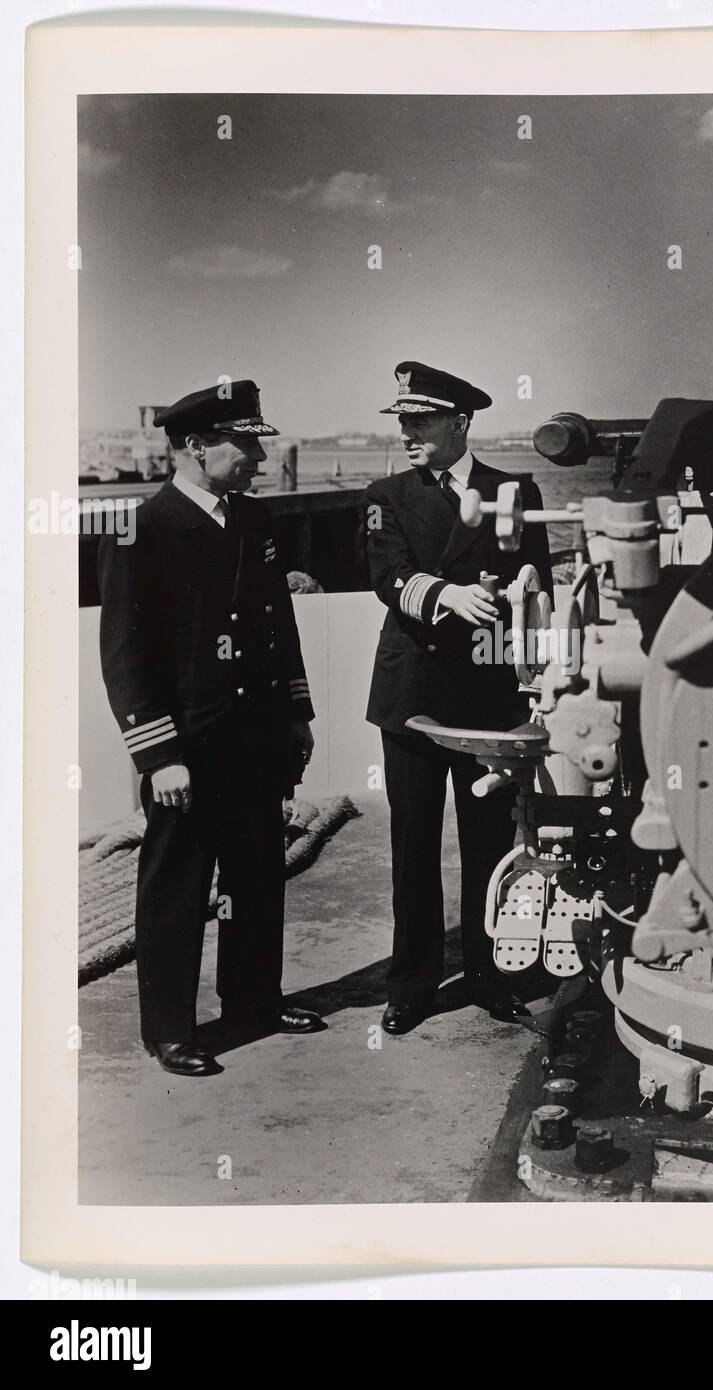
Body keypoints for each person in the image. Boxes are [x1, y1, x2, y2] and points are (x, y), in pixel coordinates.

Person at [97, 380, 324, 1077]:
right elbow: (126, 655)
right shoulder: (144, 528)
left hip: (255, 737)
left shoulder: (255, 525)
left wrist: (296, 715)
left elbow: (278, 630)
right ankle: (169, 1028)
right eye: (246, 442)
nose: (259, 454)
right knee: (178, 888)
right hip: (188, 745)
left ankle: (254, 1000)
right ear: (197, 447)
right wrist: (159, 755)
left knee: (258, 875)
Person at [365, 361, 553, 1035]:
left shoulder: (513, 490)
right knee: (413, 845)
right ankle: (411, 984)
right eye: (404, 421)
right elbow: (386, 577)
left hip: (486, 690)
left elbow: (538, 594)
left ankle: (490, 973)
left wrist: (536, 677)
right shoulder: (386, 492)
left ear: (460, 423)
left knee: (488, 844)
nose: (409, 432)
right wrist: (447, 594)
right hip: (412, 692)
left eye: (421, 421)